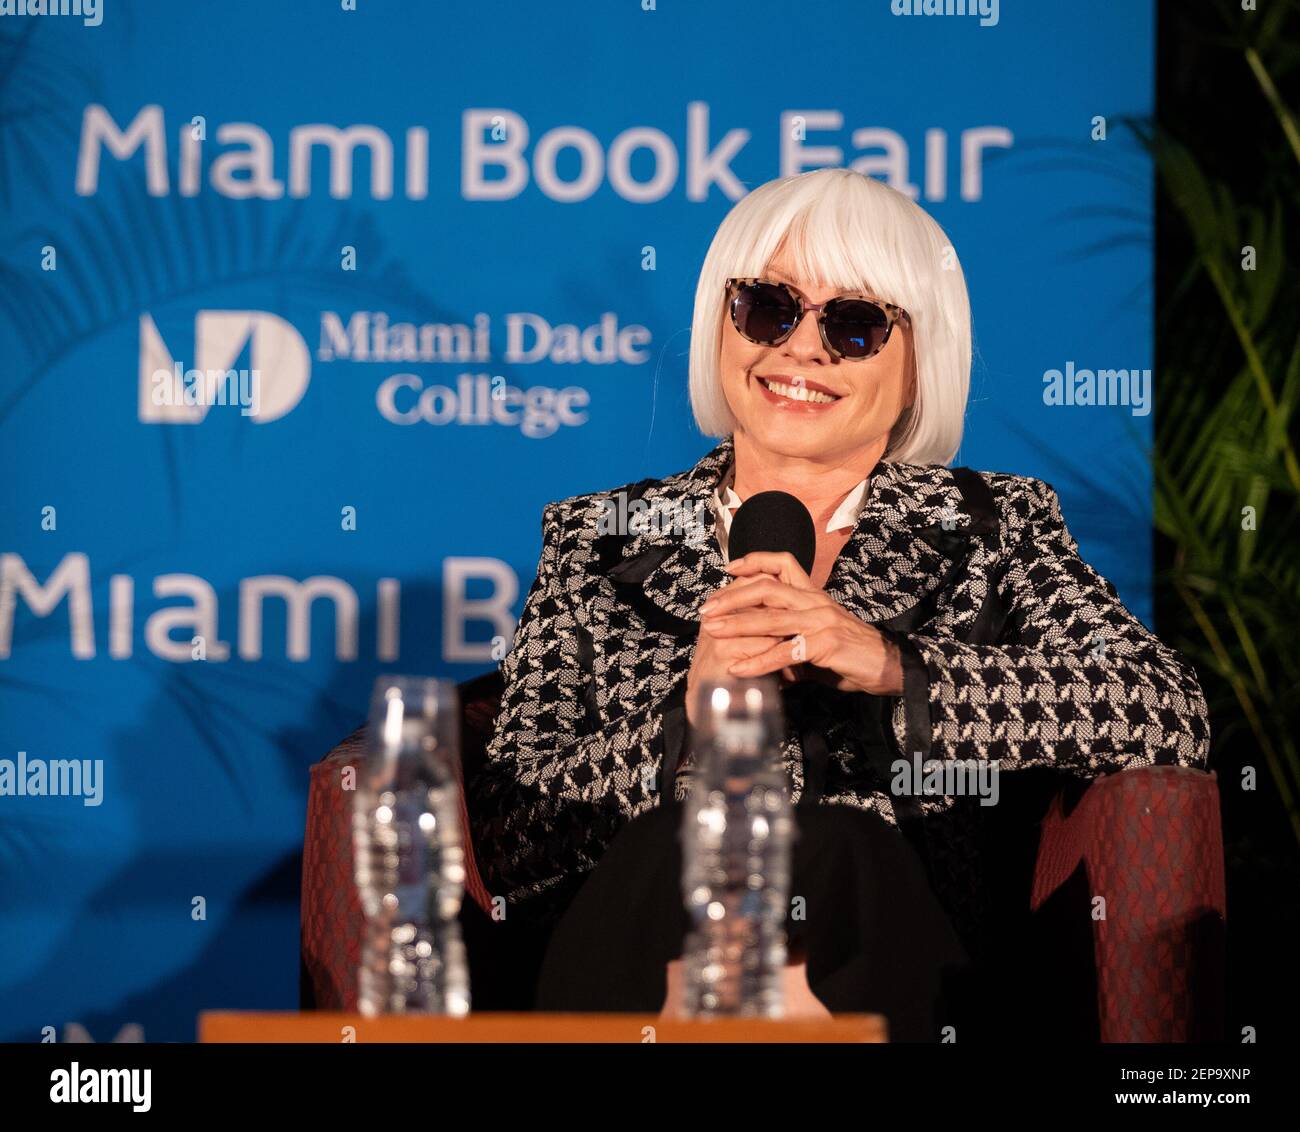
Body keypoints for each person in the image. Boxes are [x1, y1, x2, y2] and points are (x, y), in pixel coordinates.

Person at [468, 166, 1210, 1040]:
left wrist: (894, 668)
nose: (802, 349)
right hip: (645, 941)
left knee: (843, 852)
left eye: (855, 325)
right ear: (722, 328)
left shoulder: (990, 526)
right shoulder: (601, 538)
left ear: (917, 368)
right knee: (670, 852)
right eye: (769, 307)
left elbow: (1166, 711)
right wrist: (682, 725)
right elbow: (514, 845)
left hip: (891, 953)